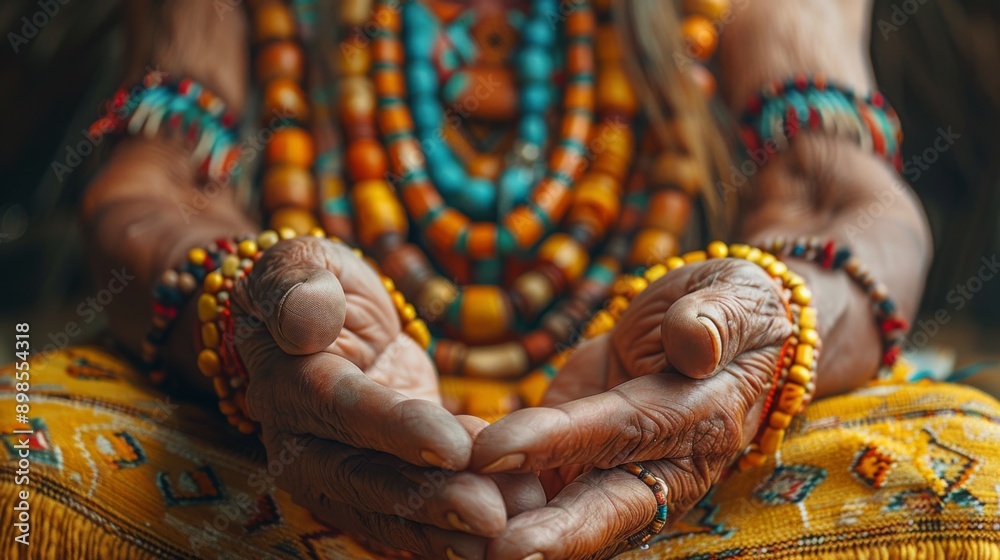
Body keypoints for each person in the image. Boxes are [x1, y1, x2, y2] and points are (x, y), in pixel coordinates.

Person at [4, 0, 997, 559]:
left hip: (689, 468)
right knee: (21, 460)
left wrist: (769, 314)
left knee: (968, 479)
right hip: (271, 447)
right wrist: (245, 304)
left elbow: (836, 194)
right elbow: (159, 189)